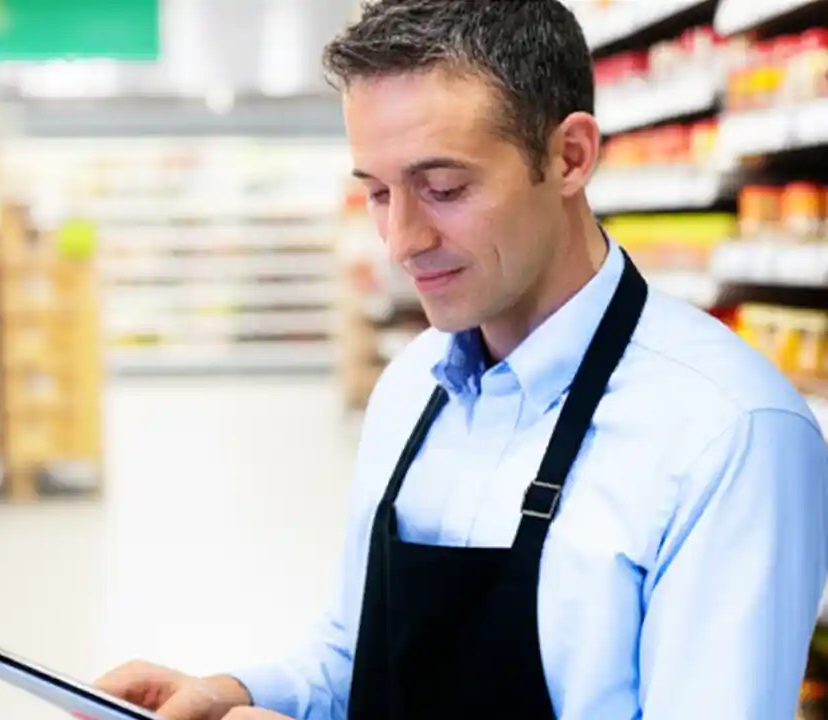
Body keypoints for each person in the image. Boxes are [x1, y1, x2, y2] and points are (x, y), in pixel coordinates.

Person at [95, 1, 828, 718]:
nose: (401, 241)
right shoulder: (411, 386)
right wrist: (236, 693)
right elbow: (358, 655)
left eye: (443, 189)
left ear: (569, 156)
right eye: (377, 193)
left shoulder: (729, 433)